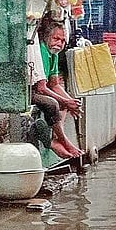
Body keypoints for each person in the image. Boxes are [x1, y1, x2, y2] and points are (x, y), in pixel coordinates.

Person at [27, 19, 83, 159]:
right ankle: (62, 141)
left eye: (62, 40)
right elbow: (41, 88)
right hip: (28, 91)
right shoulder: (42, 51)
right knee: (53, 104)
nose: (59, 43)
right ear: (47, 37)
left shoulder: (54, 54)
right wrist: (65, 101)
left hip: (40, 89)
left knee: (66, 103)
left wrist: (71, 102)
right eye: (56, 39)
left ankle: (58, 136)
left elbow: (55, 84)